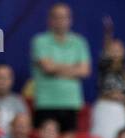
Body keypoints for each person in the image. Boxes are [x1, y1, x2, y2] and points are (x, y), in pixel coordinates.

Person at [31, 3, 91, 131]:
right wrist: (73, 68)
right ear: (49, 20)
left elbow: (84, 71)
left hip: (71, 103)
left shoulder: (79, 42)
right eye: (56, 17)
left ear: (70, 20)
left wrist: (56, 67)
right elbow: (48, 68)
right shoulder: (40, 41)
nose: (60, 21)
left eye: (64, 17)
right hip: (46, 103)